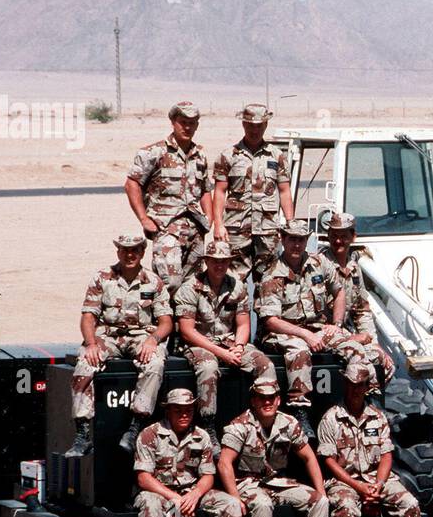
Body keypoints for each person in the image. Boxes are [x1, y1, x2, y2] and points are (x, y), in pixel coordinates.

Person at [258, 219, 391, 431]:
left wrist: (336, 324)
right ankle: (300, 411)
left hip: (317, 329)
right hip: (283, 332)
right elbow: (270, 321)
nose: (297, 245)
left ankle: (367, 399)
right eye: (292, 239)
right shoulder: (272, 274)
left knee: (355, 348)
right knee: (300, 352)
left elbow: (339, 291)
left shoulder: (318, 264)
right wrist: (305, 335)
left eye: (301, 240)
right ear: (283, 239)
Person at [320, 361, 433, 517]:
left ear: (367, 387)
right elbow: (329, 461)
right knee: (346, 508)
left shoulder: (377, 417)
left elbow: (386, 455)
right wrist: (359, 487)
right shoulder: (331, 418)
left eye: (360, 385)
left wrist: (378, 486)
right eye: (351, 384)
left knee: (409, 503)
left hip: (377, 478)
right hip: (345, 480)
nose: (355, 390)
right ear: (345, 384)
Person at [132, 389, 262, 517]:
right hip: (160, 493)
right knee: (149, 504)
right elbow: (143, 478)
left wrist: (195, 494)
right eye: (178, 410)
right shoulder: (150, 435)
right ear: (168, 411)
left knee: (231, 503)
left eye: (189, 410)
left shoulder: (201, 437)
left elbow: (208, 476)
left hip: (192, 493)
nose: (184, 414)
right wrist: (173, 497)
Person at [216, 376, 331, 517]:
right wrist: (234, 498)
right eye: (261, 398)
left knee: (321, 502)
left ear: (278, 400)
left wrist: (321, 490)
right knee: (262, 504)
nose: (267, 402)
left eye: (271, 398)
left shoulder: (287, 423)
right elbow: (224, 463)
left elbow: (309, 457)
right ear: (254, 401)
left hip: (277, 481)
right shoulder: (239, 426)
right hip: (247, 484)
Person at [69, 234, 172, 455]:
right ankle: (83, 433)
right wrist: (90, 344)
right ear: (118, 252)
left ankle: (135, 427)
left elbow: (166, 322)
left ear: (142, 252)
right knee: (85, 363)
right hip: (108, 335)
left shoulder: (153, 282)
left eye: (135, 250)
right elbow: (88, 317)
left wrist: (153, 340)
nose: (130, 254)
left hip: (140, 336)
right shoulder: (102, 278)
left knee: (155, 363)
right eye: (125, 250)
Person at [174, 239, 276, 447]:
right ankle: (209, 425)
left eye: (224, 261)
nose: (219, 265)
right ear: (207, 262)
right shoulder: (190, 288)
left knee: (266, 364)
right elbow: (187, 331)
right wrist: (222, 354)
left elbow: (243, 324)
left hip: (230, 342)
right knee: (208, 367)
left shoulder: (237, 286)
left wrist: (239, 346)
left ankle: (263, 421)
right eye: (214, 261)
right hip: (200, 344)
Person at [125, 100, 212, 296]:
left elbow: (206, 189)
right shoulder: (153, 153)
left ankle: (184, 327)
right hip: (166, 228)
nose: (187, 127)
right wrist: (143, 218)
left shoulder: (200, 156)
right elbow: (132, 184)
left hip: (195, 230)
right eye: (183, 122)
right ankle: (163, 325)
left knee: (192, 287)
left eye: (192, 123)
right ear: (173, 122)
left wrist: (209, 218)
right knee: (169, 283)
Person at [211, 103, 294, 284]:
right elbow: (219, 192)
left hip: (267, 229)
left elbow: (285, 191)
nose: (255, 130)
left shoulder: (277, 156)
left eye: (259, 126)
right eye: (250, 125)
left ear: (265, 125)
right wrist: (218, 224)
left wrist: (290, 224)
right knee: (232, 281)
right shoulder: (228, 156)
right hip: (236, 229)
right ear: (243, 124)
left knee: (269, 281)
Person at [321, 212, 396, 391]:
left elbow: (361, 310)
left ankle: (369, 409)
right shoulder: (318, 265)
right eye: (334, 236)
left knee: (385, 363)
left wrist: (373, 341)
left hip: (345, 333)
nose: (338, 241)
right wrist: (354, 338)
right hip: (324, 333)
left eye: (343, 236)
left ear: (353, 237)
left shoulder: (354, 269)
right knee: (360, 360)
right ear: (328, 236)